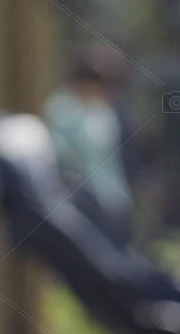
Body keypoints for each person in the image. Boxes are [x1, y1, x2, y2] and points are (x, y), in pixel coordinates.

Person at [42, 46, 135, 247]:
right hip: (80, 198)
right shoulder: (61, 108)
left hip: (112, 197)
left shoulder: (103, 110)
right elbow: (61, 153)